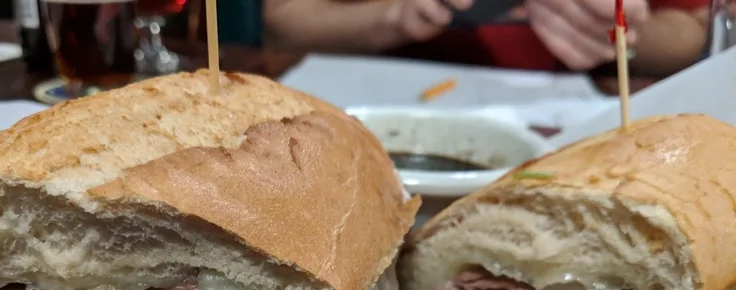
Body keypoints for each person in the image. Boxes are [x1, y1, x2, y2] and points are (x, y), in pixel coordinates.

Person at [262, 0, 710, 77]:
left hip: (582, 122)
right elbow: (283, 21)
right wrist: (398, 16)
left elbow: (700, 34)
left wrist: (620, 32)